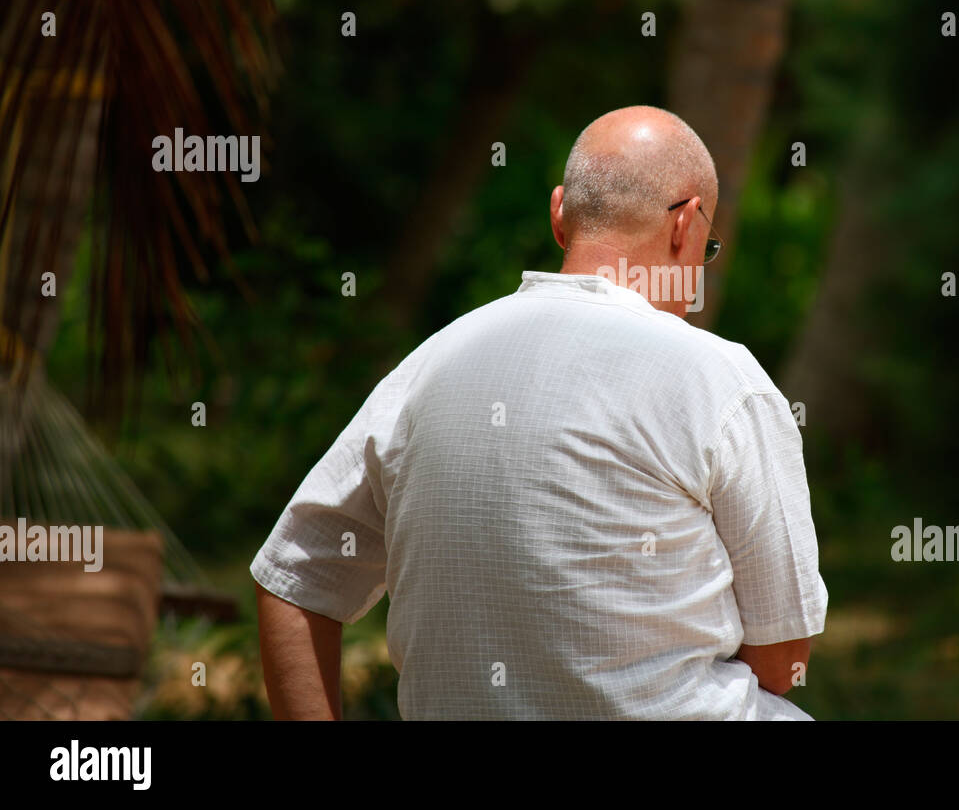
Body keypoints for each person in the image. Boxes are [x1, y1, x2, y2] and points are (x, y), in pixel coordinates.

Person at [252, 105, 828, 719]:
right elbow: (782, 661)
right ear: (686, 225)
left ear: (559, 216)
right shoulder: (721, 381)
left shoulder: (431, 363)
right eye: (707, 250)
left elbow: (294, 581)